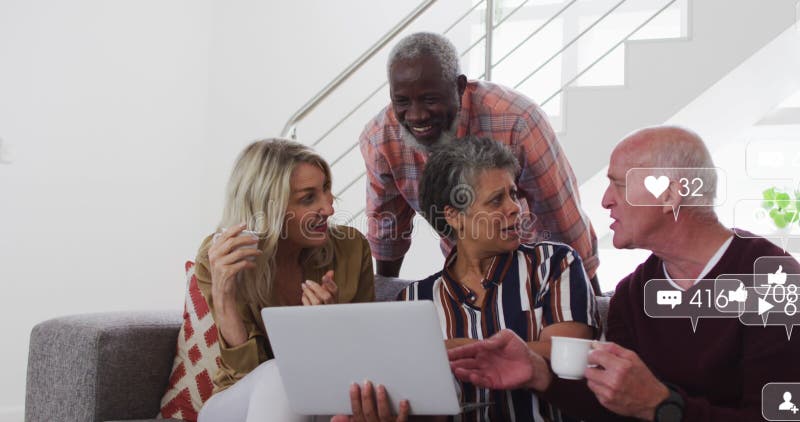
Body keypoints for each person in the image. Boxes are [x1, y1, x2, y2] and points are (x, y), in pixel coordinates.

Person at [448, 126, 800, 421]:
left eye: (619, 184)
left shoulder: (774, 282)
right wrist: (540, 376)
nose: (604, 200)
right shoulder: (633, 294)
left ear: (670, 195)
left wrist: (663, 406)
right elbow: (619, 408)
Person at [339, 137, 599, 422]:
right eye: (496, 200)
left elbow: (569, 357)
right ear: (453, 216)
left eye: (513, 194)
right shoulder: (413, 300)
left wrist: (451, 350)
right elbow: (417, 399)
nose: (514, 208)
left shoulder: (554, 264)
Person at [359, 32, 600, 294]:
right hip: (464, 270)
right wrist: (380, 296)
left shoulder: (519, 121)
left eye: (430, 99)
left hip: (532, 268)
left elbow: (563, 223)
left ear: (460, 87)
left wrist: (595, 306)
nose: (416, 115)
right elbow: (388, 228)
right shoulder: (379, 138)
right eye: (402, 101)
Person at [195, 139, 375, 422]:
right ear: (268, 207)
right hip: (238, 403)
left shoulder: (351, 249)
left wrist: (329, 330)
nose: (328, 208)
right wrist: (224, 296)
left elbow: (365, 361)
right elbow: (244, 373)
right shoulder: (222, 254)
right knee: (278, 378)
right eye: (308, 198)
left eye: (326, 189)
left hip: (324, 395)